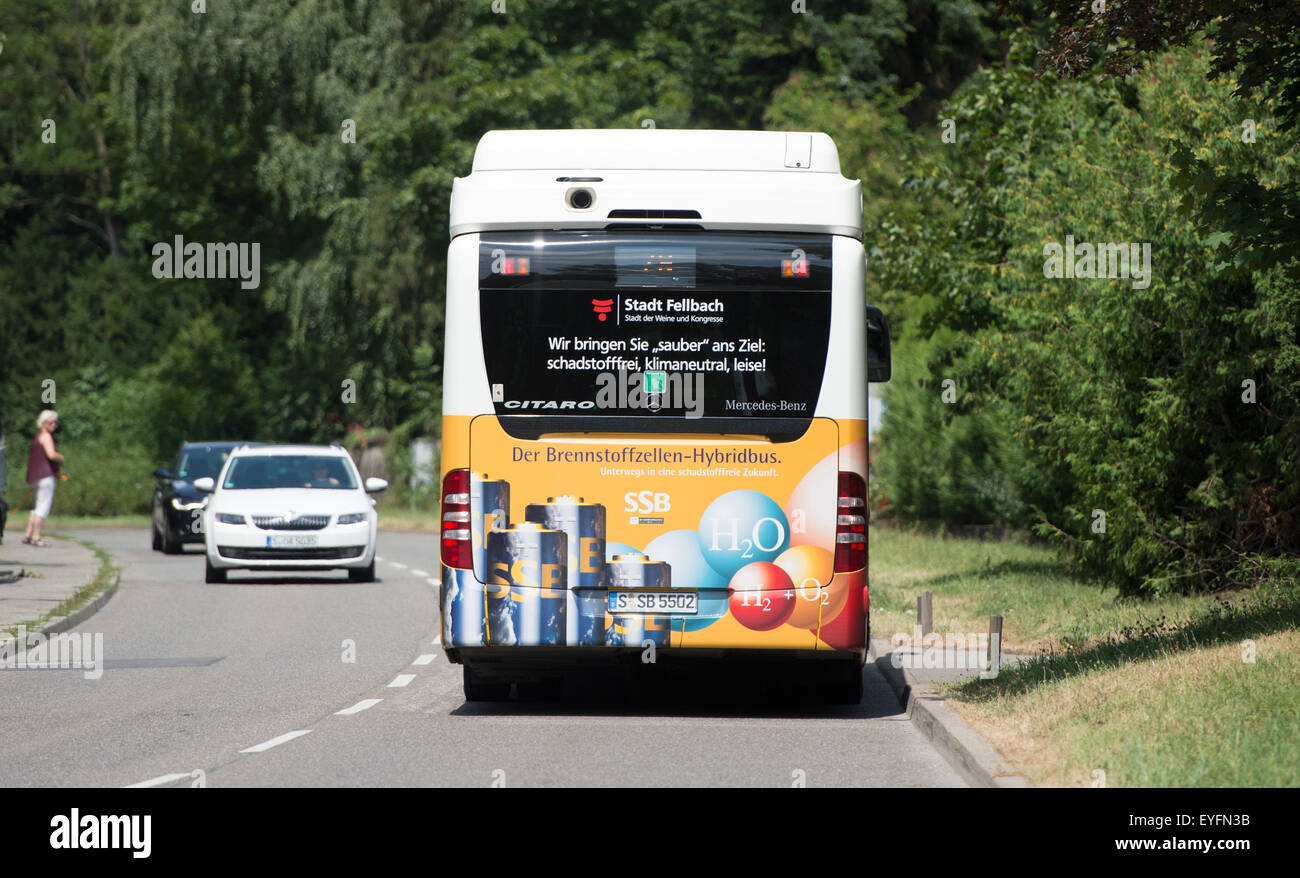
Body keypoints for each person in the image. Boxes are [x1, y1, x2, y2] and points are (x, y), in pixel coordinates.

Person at [24, 410, 63, 547]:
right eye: (51, 422)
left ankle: (28, 535)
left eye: (55, 422)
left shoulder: (38, 436)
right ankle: (36, 537)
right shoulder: (46, 436)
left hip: (35, 476)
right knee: (43, 506)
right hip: (45, 475)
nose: (54, 425)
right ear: (44, 423)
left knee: (37, 505)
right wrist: (61, 457)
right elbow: (51, 455)